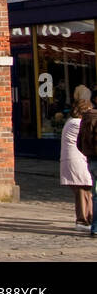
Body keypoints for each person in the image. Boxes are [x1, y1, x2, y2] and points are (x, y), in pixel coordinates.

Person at [62, 86, 93, 228]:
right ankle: (82, 219)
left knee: (85, 189)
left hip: (75, 160)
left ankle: (87, 218)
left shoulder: (71, 122)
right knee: (82, 189)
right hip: (76, 160)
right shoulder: (77, 123)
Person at [80, 87, 97, 237]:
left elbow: (79, 142)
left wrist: (88, 154)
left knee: (96, 194)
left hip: (91, 160)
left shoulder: (86, 118)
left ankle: (95, 227)